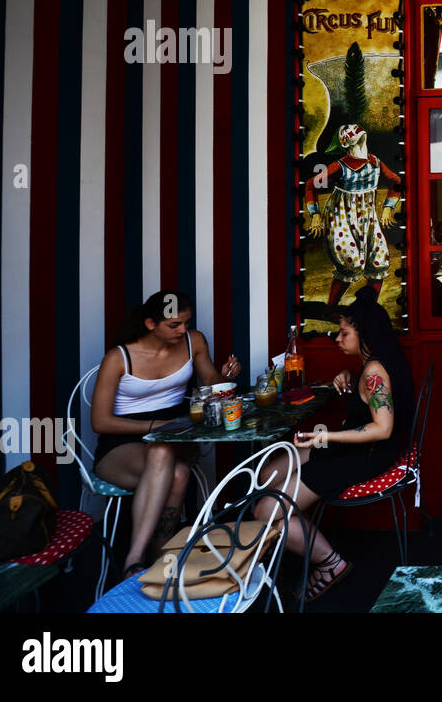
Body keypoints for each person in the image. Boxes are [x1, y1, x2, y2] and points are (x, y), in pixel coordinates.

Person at [254, 296, 413, 603]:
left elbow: (383, 428)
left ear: (364, 334)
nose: (338, 339)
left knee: (266, 509)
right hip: (356, 451)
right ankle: (276, 545)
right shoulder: (376, 362)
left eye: (344, 333)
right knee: (271, 470)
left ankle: (329, 563)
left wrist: (327, 438)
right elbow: (373, 399)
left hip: (364, 457)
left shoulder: (375, 370)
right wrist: (351, 380)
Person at [92, 290, 241, 578]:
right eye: (174, 325)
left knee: (164, 451)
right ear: (150, 324)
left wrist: (224, 377)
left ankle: (139, 562)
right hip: (122, 444)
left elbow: (210, 380)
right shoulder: (119, 357)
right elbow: (100, 421)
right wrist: (155, 427)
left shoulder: (193, 341)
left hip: (176, 437)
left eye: (186, 322)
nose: (183, 330)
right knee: (178, 473)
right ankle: (151, 559)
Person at [303, 123, 403, 307]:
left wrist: (388, 207)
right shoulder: (339, 166)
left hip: (368, 219)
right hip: (341, 218)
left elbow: (396, 182)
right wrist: (315, 214)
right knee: (351, 263)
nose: (362, 142)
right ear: (349, 143)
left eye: (362, 138)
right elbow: (311, 185)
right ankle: (331, 309)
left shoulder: (376, 163)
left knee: (379, 261)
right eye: (358, 140)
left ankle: (368, 308)